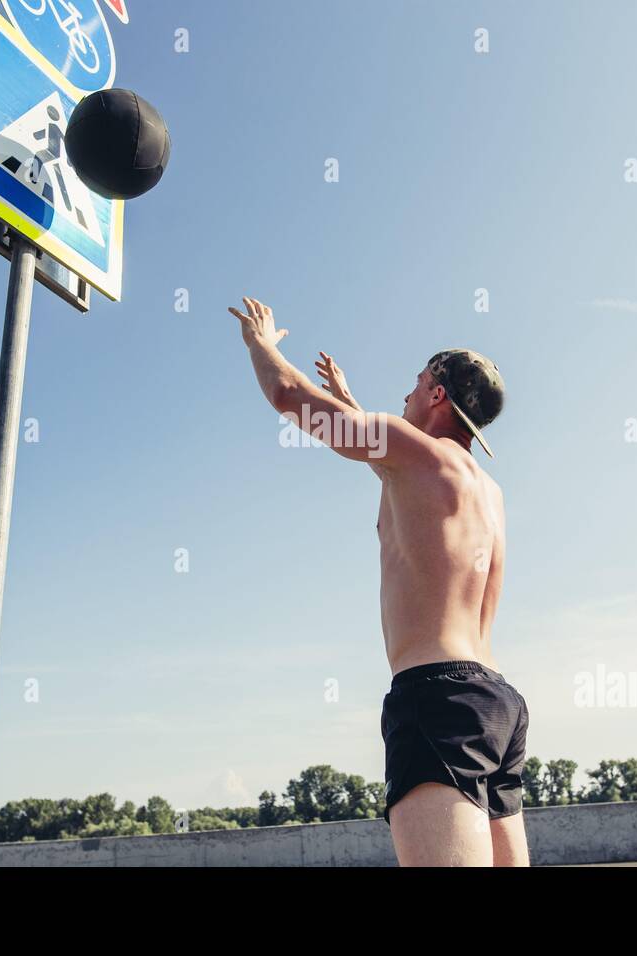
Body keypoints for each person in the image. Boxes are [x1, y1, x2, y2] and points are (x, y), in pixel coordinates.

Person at [227, 296, 529, 866]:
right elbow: (388, 464)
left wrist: (260, 344)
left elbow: (291, 398)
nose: (407, 395)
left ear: (438, 394)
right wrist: (349, 398)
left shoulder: (412, 452)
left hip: (438, 697)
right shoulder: (486, 491)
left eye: (416, 385)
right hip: (496, 704)